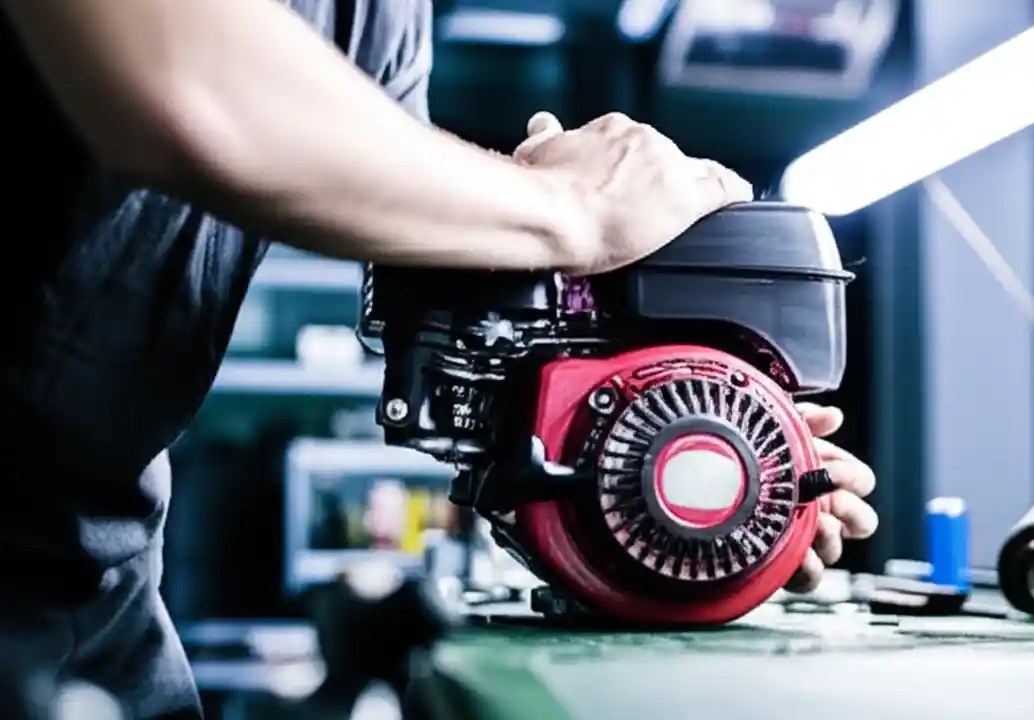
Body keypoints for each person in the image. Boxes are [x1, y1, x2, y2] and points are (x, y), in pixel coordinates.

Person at [0, 1, 878, 718]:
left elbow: (435, 265)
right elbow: (184, 79)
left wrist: (713, 449)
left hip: (94, 590)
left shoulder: (381, 18)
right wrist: (575, 206)